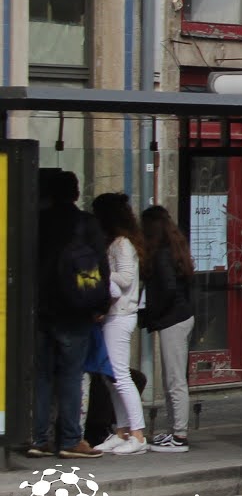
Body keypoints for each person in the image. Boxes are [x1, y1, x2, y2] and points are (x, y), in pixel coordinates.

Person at [29, 170, 106, 459]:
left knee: (43, 376)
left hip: (43, 310)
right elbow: (100, 267)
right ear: (75, 193)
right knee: (72, 374)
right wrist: (100, 305)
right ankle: (71, 438)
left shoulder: (37, 221)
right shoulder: (86, 223)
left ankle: (39, 437)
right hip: (75, 310)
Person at [89, 192, 148, 455]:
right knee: (110, 376)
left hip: (121, 314)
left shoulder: (122, 244)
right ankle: (122, 430)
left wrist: (100, 271)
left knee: (120, 376)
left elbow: (124, 278)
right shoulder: (116, 242)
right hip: (116, 314)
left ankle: (137, 433)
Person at [138, 206, 196, 453]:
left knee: (174, 380)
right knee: (173, 378)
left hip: (173, 319)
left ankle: (180, 434)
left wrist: (153, 314)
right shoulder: (175, 249)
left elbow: (168, 289)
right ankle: (175, 430)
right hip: (180, 316)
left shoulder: (161, 254)